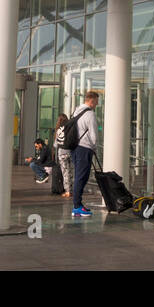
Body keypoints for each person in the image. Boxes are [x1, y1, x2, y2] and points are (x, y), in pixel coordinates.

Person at [70, 90, 99, 218]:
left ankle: (77, 205)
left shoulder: (76, 111)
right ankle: (77, 206)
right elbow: (94, 134)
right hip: (85, 148)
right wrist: (94, 147)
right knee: (81, 176)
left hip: (74, 148)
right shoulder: (90, 114)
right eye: (96, 102)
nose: (96, 105)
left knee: (79, 175)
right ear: (91, 101)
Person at [53, 114, 73, 198]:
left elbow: (55, 145)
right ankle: (73, 190)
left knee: (65, 173)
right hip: (70, 152)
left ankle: (68, 191)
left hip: (62, 154)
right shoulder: (70, 129)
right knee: (71, 172)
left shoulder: (58, 130)